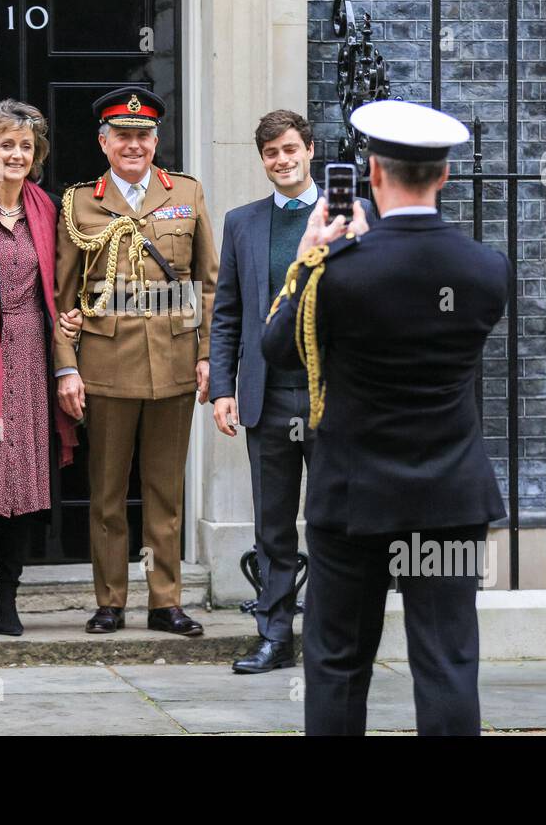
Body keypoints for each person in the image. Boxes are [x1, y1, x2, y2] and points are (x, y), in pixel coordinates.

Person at [262, 99, 510, 735]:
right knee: (448, 662)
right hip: (448, 497)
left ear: (371, 174)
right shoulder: (486, 269)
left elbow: (277, 349)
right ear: (445, 177)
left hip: (354, 498)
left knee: (339, 662)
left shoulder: (338, 271)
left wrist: (311, 256)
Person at [212, 110, 379, 674]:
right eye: (270, 153)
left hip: (330, 399)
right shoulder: (241, 222)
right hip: (266, 397)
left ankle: (335, 637)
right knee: (273, 526)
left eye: (289, 149)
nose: (281, 160)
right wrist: (221, 389)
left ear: (310, 150)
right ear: (262, 161)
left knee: (334, 520)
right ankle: (275, 635)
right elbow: (227, 311)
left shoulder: (348, 214)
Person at [53, 86, 219, 636]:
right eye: (122, 136)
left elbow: (209, 285)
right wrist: (66, 367)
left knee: (165, 491)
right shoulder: (80, 202)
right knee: (106, 493)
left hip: (173, 362)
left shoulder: (187, 194)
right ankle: (110, 601)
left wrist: (206, 355)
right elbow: (62, 297)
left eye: (143, 135)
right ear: (104, 142)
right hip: (106, 363)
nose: (134, 145)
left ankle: (165, 601)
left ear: (156, 140)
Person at [0, 100, 82, 637]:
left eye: (25, 147)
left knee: (24, 490)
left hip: (33, 354)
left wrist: (73, 321)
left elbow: (65, 284)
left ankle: (9, 595)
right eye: (6, 144)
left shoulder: (49, 209)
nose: (16, 153)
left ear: (35, 157)